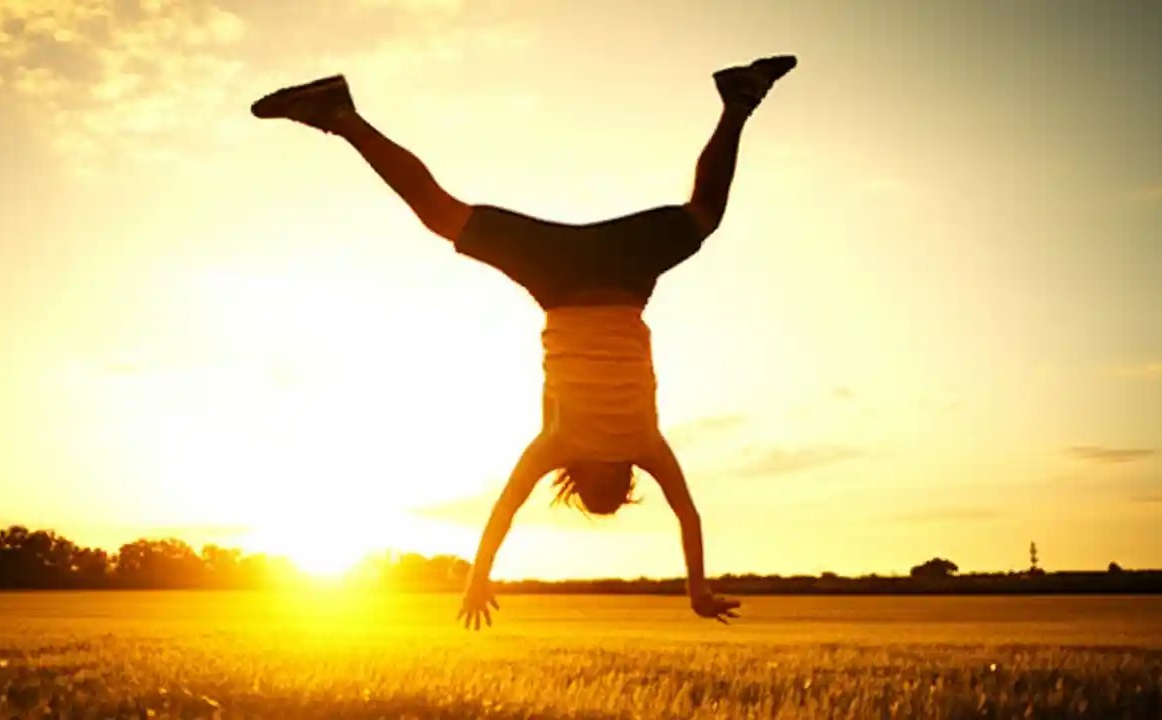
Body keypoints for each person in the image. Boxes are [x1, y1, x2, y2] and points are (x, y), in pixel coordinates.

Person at [251, 54, 796, 629]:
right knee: (448, 215)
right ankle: (338, 113)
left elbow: (672, 515)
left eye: (606, 487)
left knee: (696, 212)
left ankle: (739, 102)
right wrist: (477, 578)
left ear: (601, 479)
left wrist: (696, 590)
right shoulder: (582, 445)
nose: (612, 476)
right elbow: (522, 513)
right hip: (585, 279)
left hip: (599, 276)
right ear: (596, 480)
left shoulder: (610, 444)